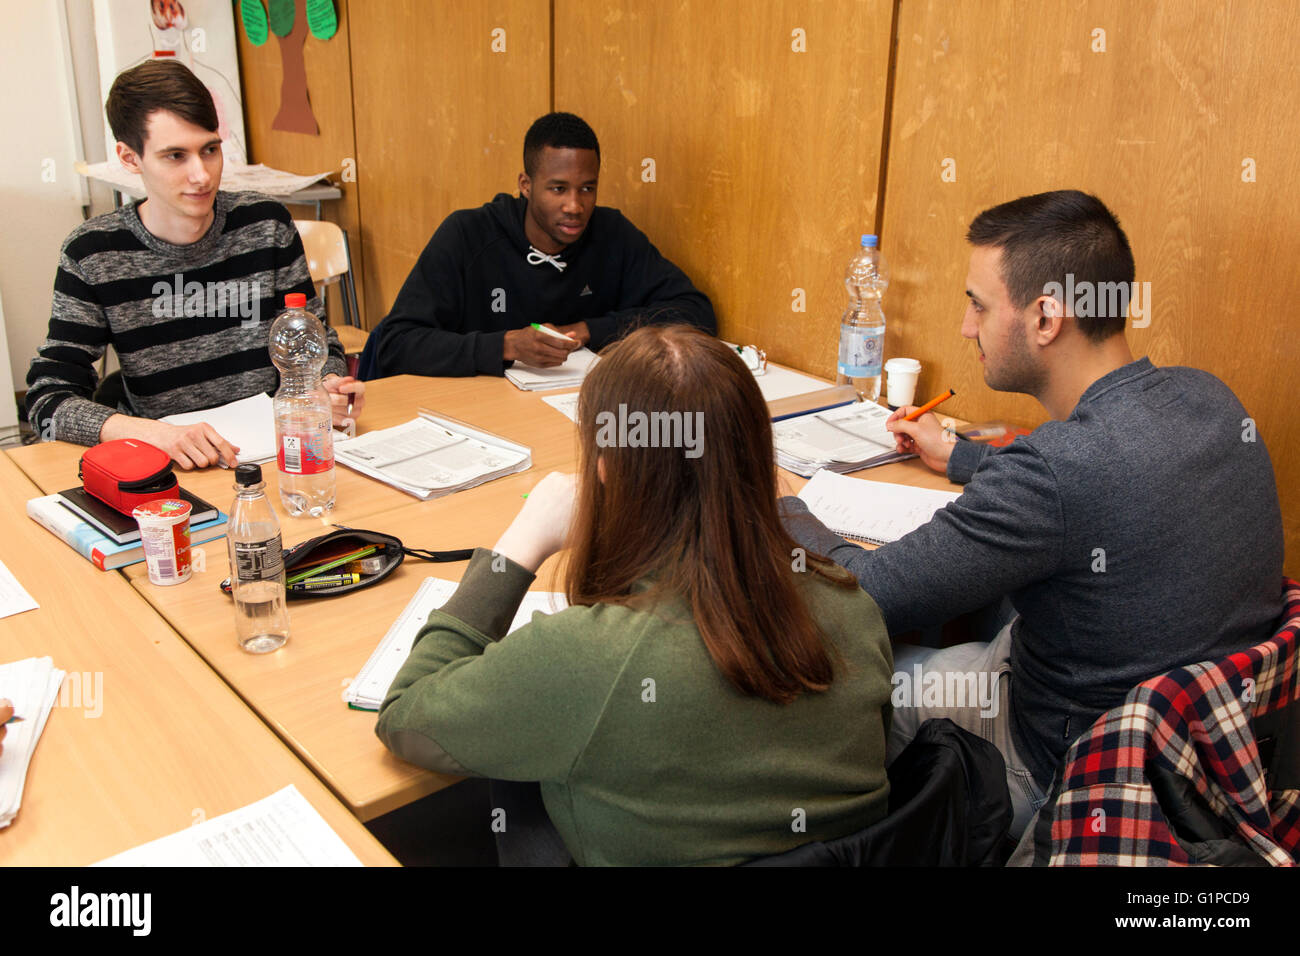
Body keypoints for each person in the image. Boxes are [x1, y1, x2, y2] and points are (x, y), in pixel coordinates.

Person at [782, 190, 1284, 838]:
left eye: (978, 305)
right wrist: (959, 457)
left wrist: (785, 506)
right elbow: (1104, 488)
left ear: (1046, 318)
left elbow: (864, 597)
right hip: (1210, 762)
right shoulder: (1211, 400)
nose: (967, 327)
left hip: (1074, 777)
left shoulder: (1055, 472)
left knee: (857, 683)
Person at [375, 325, 893, 866]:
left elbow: (405, 719)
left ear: (606, 469)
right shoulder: (852, 607)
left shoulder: (585, 657)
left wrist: (519, 547)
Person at [25, 59, 365, 470]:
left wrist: (326, 384)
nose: (201, 175)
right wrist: (150, 432)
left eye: (210, 149)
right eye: (175, 156)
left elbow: (317, 343)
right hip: (169, 471)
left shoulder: (265, 225)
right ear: (130, 158)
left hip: (277, 457)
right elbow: (49, 401)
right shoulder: (93, 253)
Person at [359, 112, 715, 379]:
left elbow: (695, 313)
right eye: (558, 189)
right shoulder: (468, 234)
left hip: (569, 413)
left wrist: (588, 330)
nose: (575, 206)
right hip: (469, 421)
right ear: (526, 185)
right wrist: (506, 346)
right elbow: (396, 343)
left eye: (587, 188)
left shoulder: (612, 234)